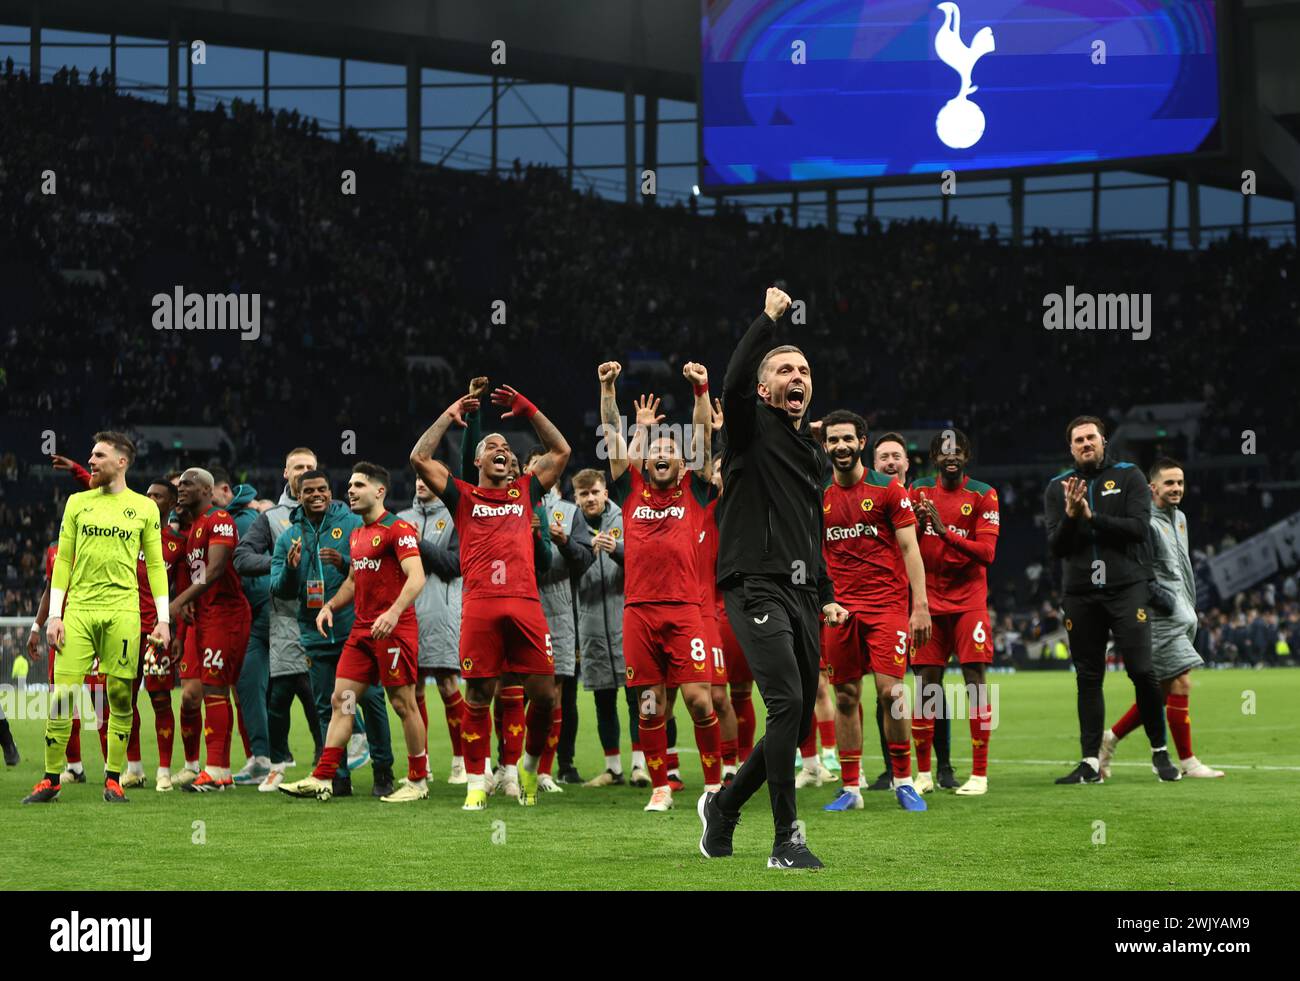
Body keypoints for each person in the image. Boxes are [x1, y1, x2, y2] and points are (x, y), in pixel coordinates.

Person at [698, 288, 848, 870]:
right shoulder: (749, 423)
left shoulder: (812, 453)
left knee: (799, 713)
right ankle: (787, 839)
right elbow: (731, 382)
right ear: (766, 389)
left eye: (805, 370)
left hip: (804, 590)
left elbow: (809, 528)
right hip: (753, 582)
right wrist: (766, 319)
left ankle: (726, 805)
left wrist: (828, 593)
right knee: (786, 702)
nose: (798, 376)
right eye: (785, 369)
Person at [409, 384, 570, 809]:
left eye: (504, 445)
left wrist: (529, 409)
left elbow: (562, 451)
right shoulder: (462, 494)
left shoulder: (525, 491)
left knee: (545, 694)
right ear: (477, 460)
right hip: (479, 605)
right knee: (478, 697)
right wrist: (449, 414)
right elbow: (419, 458)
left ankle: (529, 767)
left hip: (525, 604)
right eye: (491, 446)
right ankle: (477, 782)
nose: (500, 448)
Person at [598, 360, 724, 813]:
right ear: (645, 459)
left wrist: (700, 391)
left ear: (681, 458)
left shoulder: (694, 488)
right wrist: (608, 389)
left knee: (697, 699)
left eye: (672, 448)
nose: (663, 454)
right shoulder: (632, 487)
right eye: (655, 449)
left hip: (685, 610)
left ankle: (713, 785)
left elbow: (704, 437)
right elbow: (613, 437)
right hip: (639, 612)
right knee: (650, 706)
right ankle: (660, 788)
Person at [23, 433, 170, 804]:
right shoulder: (77, 503)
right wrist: (54, 616)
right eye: (91, 455)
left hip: (123, 611)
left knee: (120, 695)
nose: (91, 460)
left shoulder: (143, 508)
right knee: (62, 696)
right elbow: (64, 562)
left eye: (99, 455)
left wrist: (163, 620)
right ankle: (51, 778)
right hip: (79, 612)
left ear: (122, 462)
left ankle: (114, 779)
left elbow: (155, 565)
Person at [278, 463, 429, 803]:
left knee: (403, 703)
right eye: (349, 484)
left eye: (359, 484)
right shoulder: (358, 534)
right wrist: (331, 605)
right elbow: (353, 580)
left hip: (394, 629)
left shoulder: (398, 529)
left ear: (379, 491)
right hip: (361, 630)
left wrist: (392, 613)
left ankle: (418, 780)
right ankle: (323, 776)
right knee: (340, 701)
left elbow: (416, 577)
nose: (351, 490)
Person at [1044, 416, 1180, 784]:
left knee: (1141, 669)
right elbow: (1057, 547)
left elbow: (1138, 529)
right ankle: (1090, 762)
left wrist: (1092, 517)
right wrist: (1073, 518)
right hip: (1081, 593)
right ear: (1070, 447)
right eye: (1078, 440)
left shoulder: (1129, 475)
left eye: (1091, 438)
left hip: (1126, 587)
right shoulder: (1058, 487)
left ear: (1103, 441)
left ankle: (1159, 753)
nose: (1086, 444)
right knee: (1088, 677)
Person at [816, 410, 932, 814]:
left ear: (862, 442)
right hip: (840, 610)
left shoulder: (888, 490)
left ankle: (903, 781)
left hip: (886, 606)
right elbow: (815, 555)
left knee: (893, 692)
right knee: (846, 696)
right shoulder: (819, 495)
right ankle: (851, 788)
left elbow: (909, 549)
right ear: (825, 445)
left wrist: (920, 606)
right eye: (833, 441)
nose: (841, 447)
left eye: (848, 439)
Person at [235, 448, 360, 774]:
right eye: (298, 468)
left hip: (338, 615)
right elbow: (243, 559)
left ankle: (354, 749)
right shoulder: (271, 518)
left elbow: (359, 563)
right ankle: (282, 760)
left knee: (340, 690)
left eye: (310, 468)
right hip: (286, 616)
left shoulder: (341, 515)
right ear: (286, 474)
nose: (304, 473)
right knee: (292, 692)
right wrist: (283, 563)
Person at [1099, 458, 1223, 779]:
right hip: (1158, 618)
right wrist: (1160, 601)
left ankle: (1109, 740)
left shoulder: (1180, 518)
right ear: (1152, 488)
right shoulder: (1146, 525)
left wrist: (1186, 607)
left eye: (1180, 483)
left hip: (1182, 614)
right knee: (1182, 683)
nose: (1176, 489)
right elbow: (1137, 572)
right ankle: (1188, 762)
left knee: (1159, 695)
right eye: (1169, 483)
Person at [909, 428, 1000, 796]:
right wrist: (917, 525)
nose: (951, 456)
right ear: (934, 458)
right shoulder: (918, 491)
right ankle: (925, 775)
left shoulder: (984, 494)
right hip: (927, 602)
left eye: (957, 451)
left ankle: (979, 774)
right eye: (944, 451)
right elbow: (905, 541)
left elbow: (987, 553)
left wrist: (945, 533)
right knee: (926, 685)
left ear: (966, 456)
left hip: (968, 602)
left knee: (975, 683)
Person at [171, 468, 253, 792]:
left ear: (207, 489)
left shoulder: (219, 519)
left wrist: (179, 600)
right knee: (208, 690)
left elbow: (217, 569)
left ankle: (218, 770)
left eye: (188, 484)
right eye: (179, 484)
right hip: (207, 615)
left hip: (227, 615)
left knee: (216, 689)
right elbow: (201, 576)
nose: (181, 488)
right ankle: (217, 770)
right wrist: (191, 602)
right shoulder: (194, 530)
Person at [526, 443, 596, 790]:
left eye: (545, 466)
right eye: (533, 466)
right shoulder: (512, 506)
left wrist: (564, 541)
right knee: (508, 688)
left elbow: (585, 560)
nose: (539, 472)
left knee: (553, 693)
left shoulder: (569, 512)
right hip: (518, 600)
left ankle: (544, 771)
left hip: (556, 605)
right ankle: (507, 766)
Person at [570, 468, 641, 787]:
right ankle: (613, 769)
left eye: (595, 492)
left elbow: (644, 558)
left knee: (636, 696)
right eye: (583, 494)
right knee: (602, 698)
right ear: (576, 498)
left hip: (626, 620)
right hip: (591, 624)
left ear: (605, 493)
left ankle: (641, 764)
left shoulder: (626, 518)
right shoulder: (571, 525)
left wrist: (618, 550)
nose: (590, 499)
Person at [399, 474, 467, 784]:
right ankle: (420, 765)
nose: (420, 483)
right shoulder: (400, 519)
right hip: (407, 614)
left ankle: (461, 761)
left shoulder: (455, 517)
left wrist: (419, 543)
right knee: (411, 690)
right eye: (417, 478)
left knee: (448, 684)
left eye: (427, 478)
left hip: (442, 614)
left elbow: (455, 565)